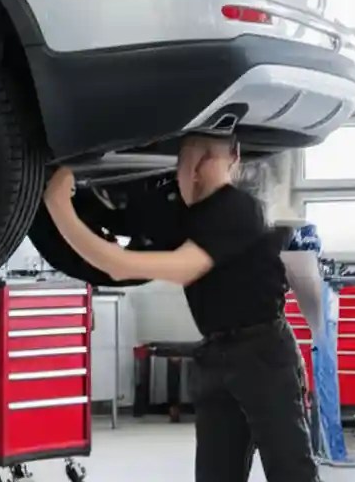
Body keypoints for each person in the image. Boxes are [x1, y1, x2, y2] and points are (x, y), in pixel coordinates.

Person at [42, 134, 320, 482]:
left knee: (291, 472)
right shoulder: (181, 214)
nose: (194, 170)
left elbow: (124, 266)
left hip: (262, 355)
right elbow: (115, 233)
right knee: (215, 475)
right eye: (188, 157)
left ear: (233, 156)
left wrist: (58, 203)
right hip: (215, 354)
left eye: (204, 158)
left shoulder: (239, 209)